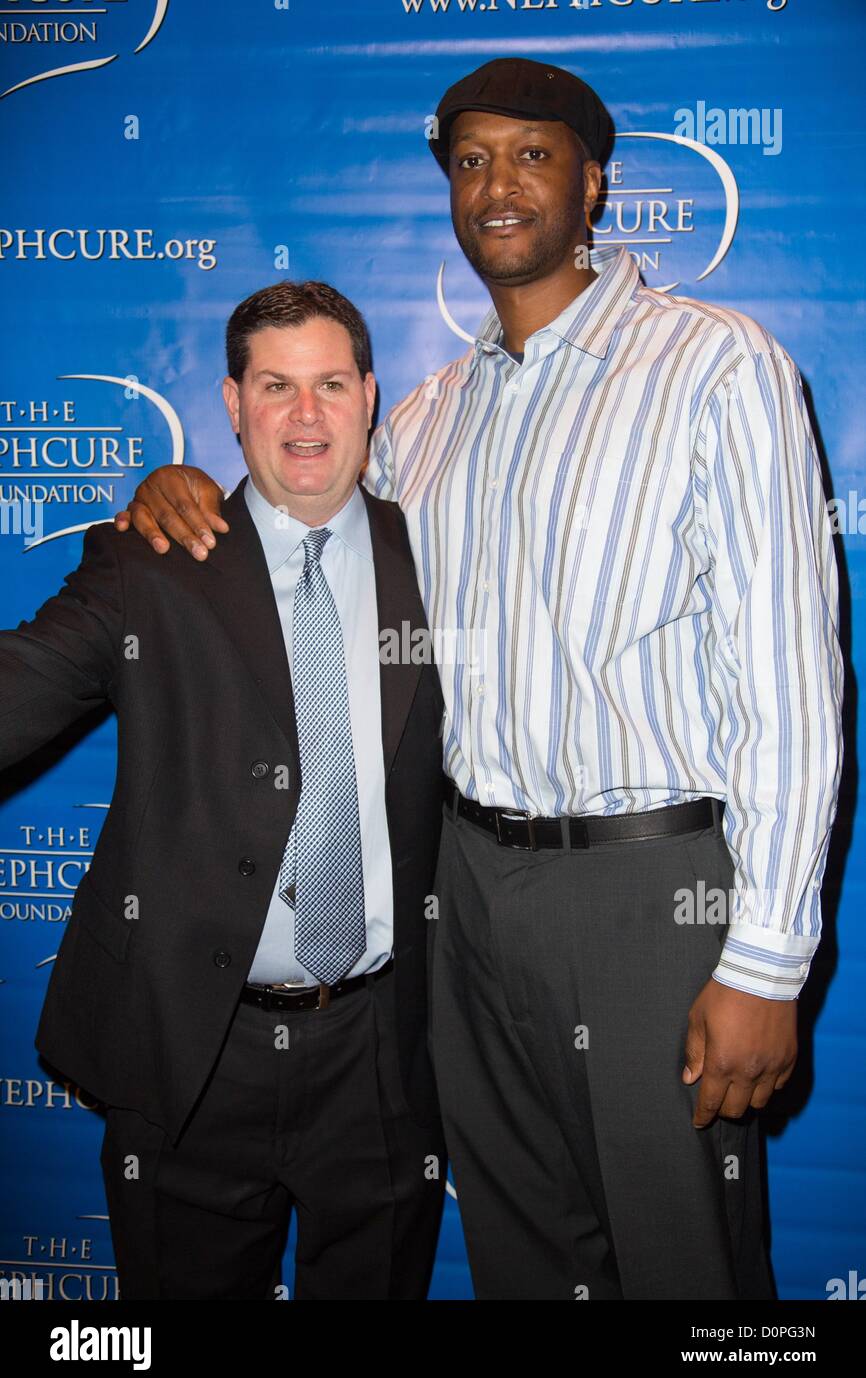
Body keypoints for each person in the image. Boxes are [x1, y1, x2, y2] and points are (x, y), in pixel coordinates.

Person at [115, 58, 844, 1300]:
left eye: (531, 154)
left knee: (685, 1270)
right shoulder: (430, 419)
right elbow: (301, 512)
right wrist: (177, 490)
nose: (496, 184)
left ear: (592, 181)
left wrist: (764, 959)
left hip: (645, 893)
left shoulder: (716, 368)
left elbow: (787, 677)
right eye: (468, 161)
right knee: (522, 1250)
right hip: (459, 895)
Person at [0, 281, 446, 1300]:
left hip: (381, 1047)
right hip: (188, 1047)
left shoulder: (438, 556)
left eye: (330, 383)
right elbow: (19, 686)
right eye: (275, 386)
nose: (305, 415)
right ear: (232, 403)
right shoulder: (151, 564)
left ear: (371, 396)